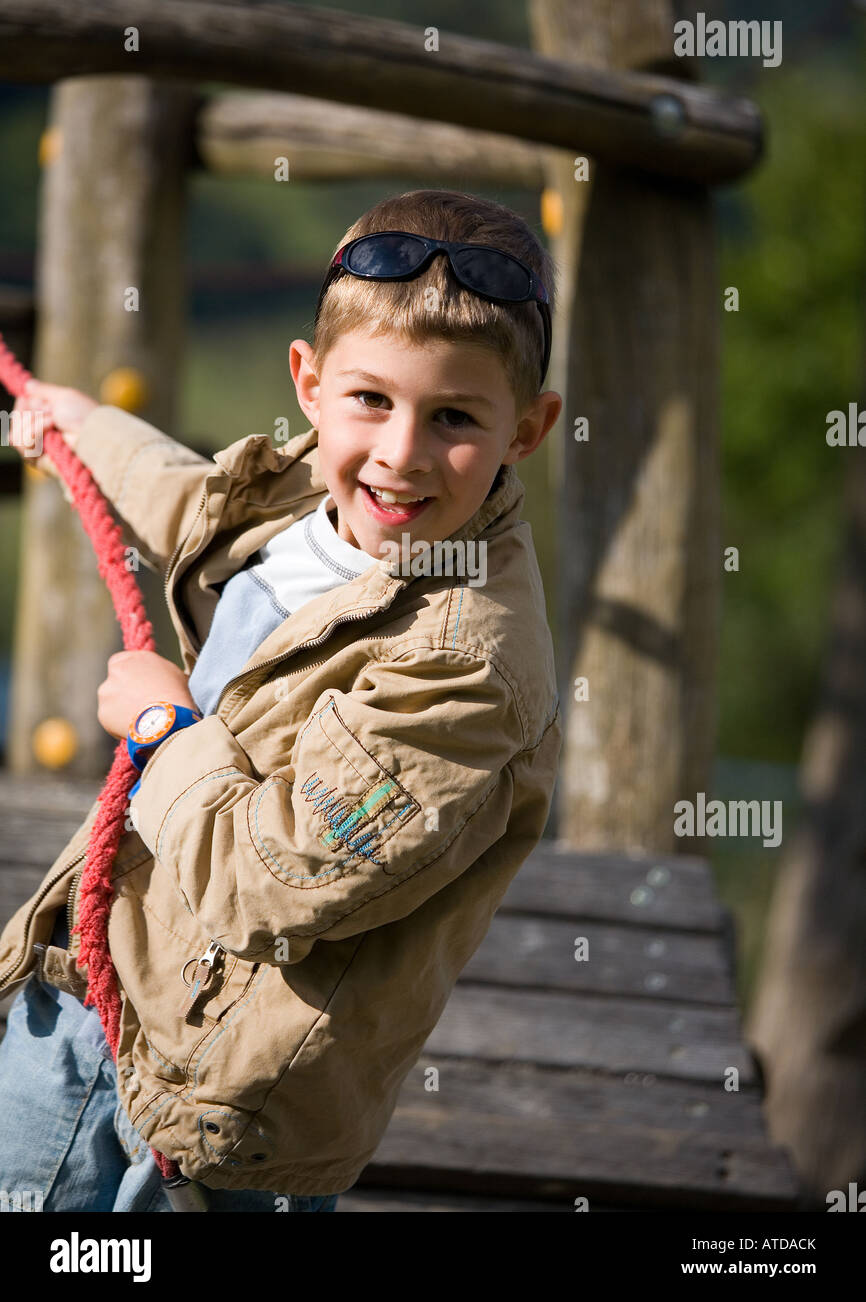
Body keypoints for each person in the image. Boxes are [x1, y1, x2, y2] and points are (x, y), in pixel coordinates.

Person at [0, 188, 563, 1212]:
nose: (400, 452)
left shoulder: (467, 666)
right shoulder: (318, 493)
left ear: (527, 427)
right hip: (104, 981)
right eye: (371, 402)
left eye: (453, 418)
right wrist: (82, 425)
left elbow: (278, 877)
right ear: (308, 385)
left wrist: (169, 729)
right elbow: (197, 502)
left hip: (201, 1099)